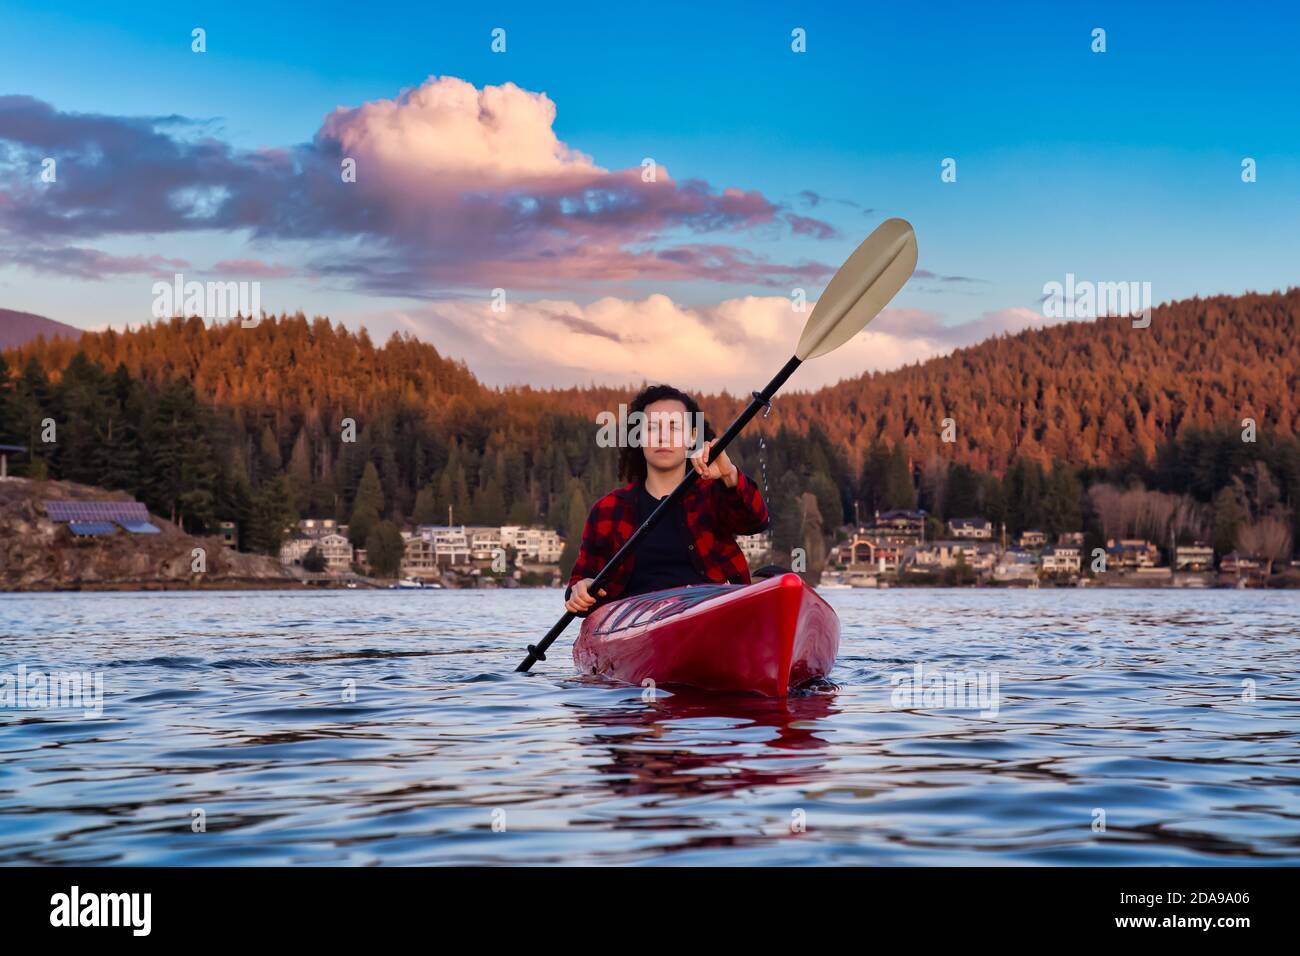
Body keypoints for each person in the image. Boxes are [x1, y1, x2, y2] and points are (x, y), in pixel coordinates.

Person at [564, 384, 769, 614]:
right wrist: (580, 589)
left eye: (674, 427)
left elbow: (756, 521)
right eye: (652, 427)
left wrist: (730, 474)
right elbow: (581, 581)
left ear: (692, 436)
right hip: (636, 624)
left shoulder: (715, 492)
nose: (663, 437)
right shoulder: (608, 509)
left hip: (714, 611)